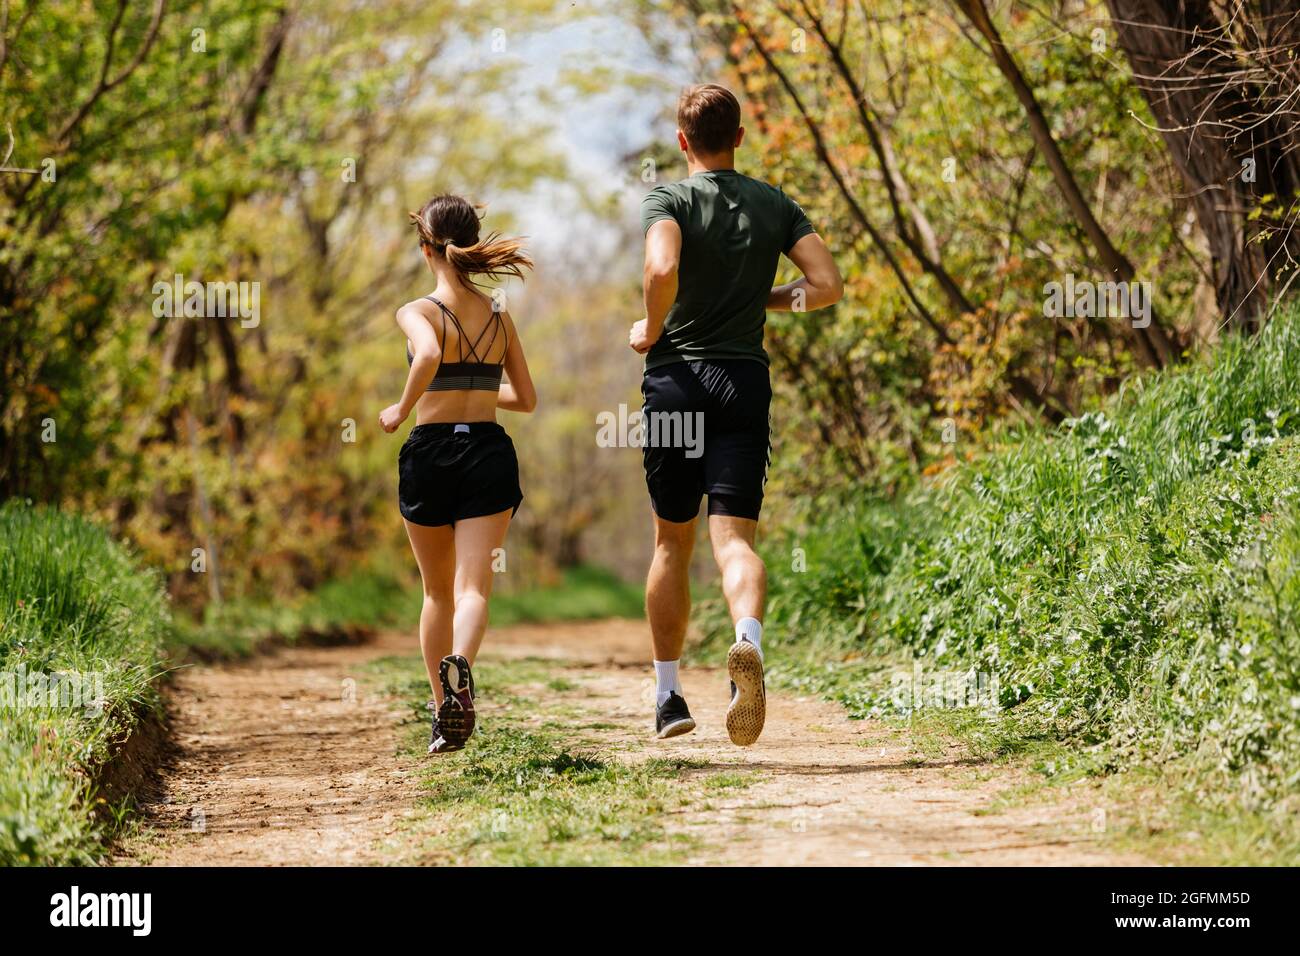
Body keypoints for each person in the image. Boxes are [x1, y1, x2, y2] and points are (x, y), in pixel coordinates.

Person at [629, 84, 843, 746]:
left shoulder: (667, 198)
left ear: (683, 140)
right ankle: (745, 641)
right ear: (740, 137)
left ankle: (669, 696)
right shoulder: (774, 203)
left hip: (676, 380)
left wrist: (651, 325)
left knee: (672, 540)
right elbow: (828, 287)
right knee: (736, 542)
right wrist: (766, 300)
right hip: (742, 383)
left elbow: (662, 266)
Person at [380, 194, 537, 754]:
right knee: (474, 589)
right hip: (488, 453)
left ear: (426, 248)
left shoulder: (417, 311)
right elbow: (526, 397)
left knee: (436, 593)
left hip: (430, 454)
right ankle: (461, 669)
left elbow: (425, 357)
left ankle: (439, 707)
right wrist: (474, 388)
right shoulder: (498, 312)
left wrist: (401, 409)